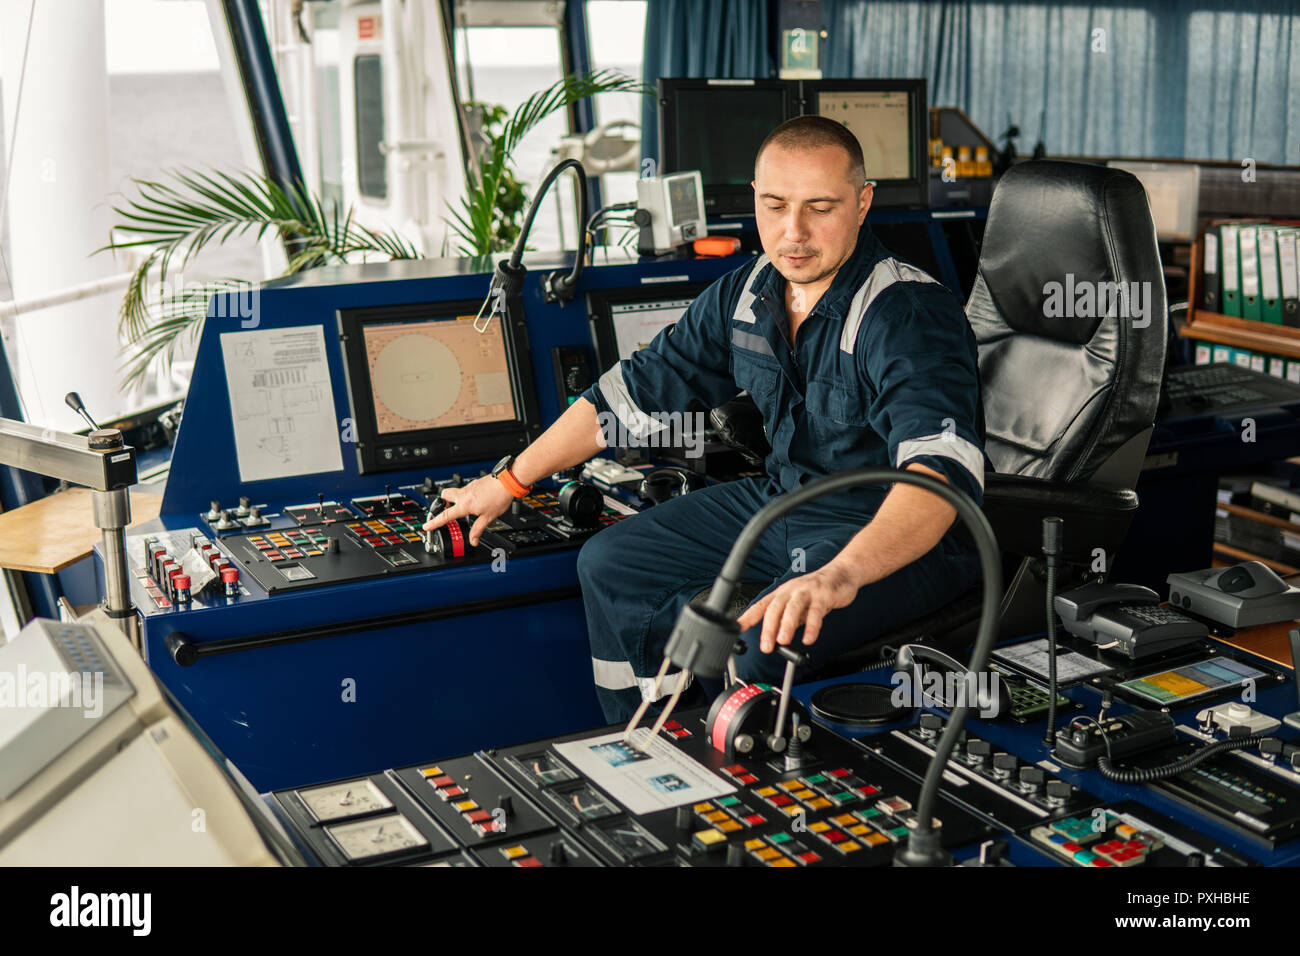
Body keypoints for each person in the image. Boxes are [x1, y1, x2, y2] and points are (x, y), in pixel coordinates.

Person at [425, 115, 986, 723]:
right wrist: (508, 482)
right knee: (612, 564)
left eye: (820, 208)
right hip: (786, 501)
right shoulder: (745, 294)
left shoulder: (906, 313)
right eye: (775, 206)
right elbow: (630, 396)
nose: (793, 232)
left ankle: (755, 778)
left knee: (766, 637)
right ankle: (648, 735)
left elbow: (938, 480)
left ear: (862, 203)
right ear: (754, 199)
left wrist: (838, 575)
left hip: (895, 531)